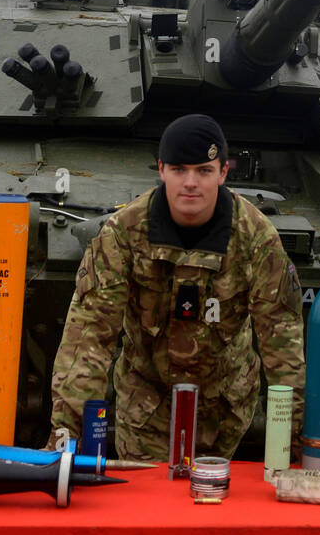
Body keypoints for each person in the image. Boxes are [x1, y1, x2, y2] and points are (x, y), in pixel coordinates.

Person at [48, 113, 305, 462]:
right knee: (149, 511)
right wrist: (66, 443)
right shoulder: (123, 233)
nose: (191, 183)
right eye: (179, 169)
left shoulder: (256, 238)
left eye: (204, 170)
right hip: (146, 407)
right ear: (161, 170)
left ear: (224, 173)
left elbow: (282, 345)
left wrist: (306, 446)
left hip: (225, 410)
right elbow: (88, 340)